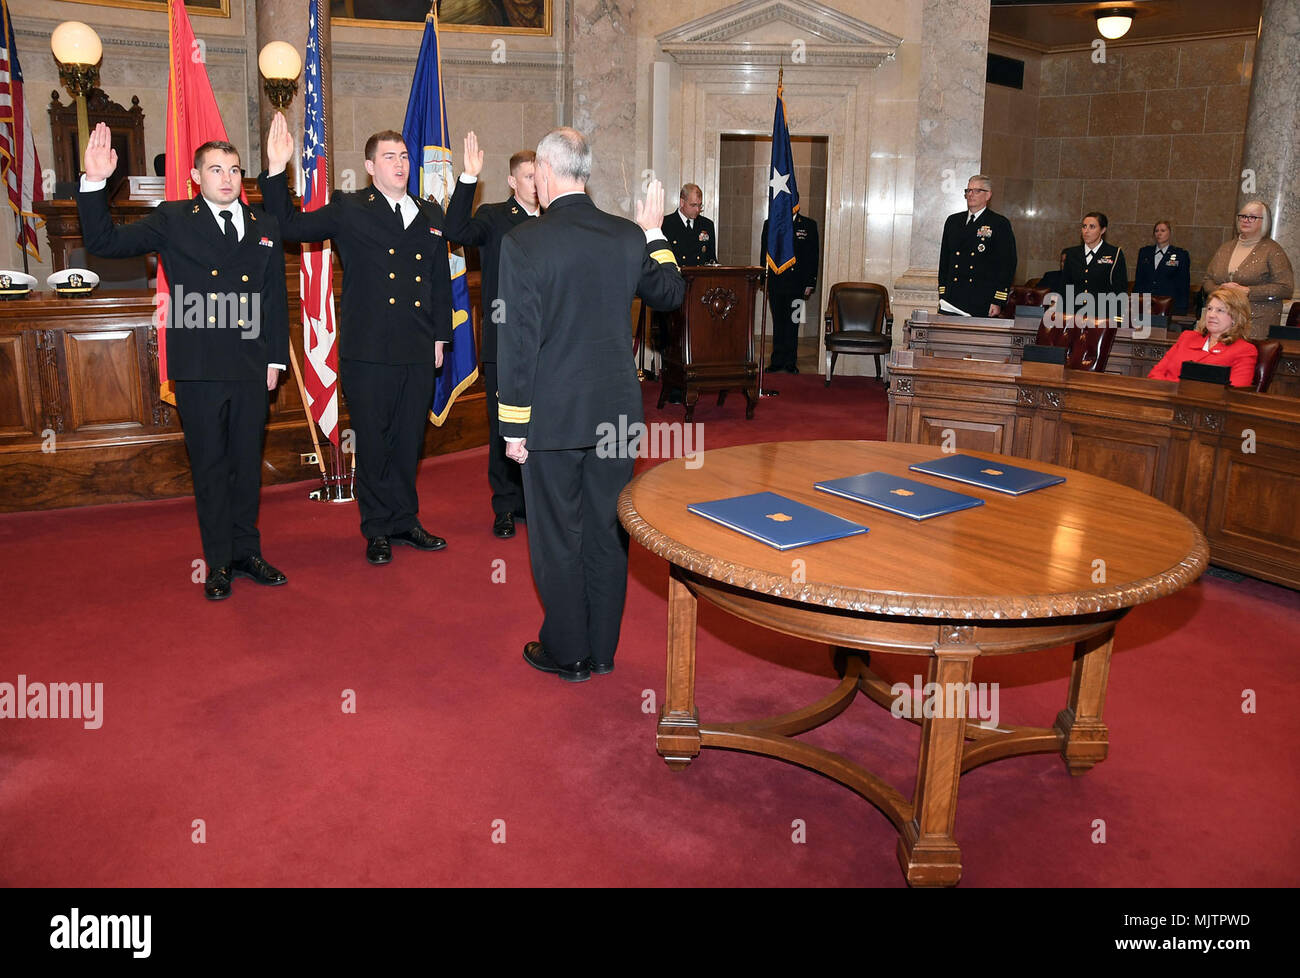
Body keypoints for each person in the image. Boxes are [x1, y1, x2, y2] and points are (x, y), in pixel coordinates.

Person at [497, 127, 685, 683]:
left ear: (548, 174)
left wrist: (513, 422)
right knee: (607, 532)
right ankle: (603, 651)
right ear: (585, 172)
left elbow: (518, 338)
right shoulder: (627, 236)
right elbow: (672, 295)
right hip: (617, 414)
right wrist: (655, 233)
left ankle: (569, 652)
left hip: (551, 417)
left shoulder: (524, 241)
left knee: (558, 535)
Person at [76, 123, 290, 601]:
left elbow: (274, 297)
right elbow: (106, 242)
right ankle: (218, 562)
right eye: (216, 170)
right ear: (196, 177)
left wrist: (276, 357)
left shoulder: (263, 226)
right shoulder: (173, 218)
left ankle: (246, 551)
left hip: (252, 365)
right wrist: (94, 184)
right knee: (211, 466)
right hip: (198, 367)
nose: (227, 178)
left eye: (234, 170)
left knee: (246, 465)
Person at [260, 113, 452, 566]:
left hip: (417, 346)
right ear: (370, 166)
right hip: (368, 350)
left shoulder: (429, 212)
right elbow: (289, 226)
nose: (400, 164)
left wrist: (442, 334)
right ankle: (377, 528)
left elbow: (440, 280)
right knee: (373, 440)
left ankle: (405, 520)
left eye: (404, 156)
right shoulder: (349, 208)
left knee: (409, 440)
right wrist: (275, 170)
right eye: (390, 157)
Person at [445, 132, 538, 539]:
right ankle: (505, 506)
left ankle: (535, 502)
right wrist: (468, 178)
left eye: (541, 175)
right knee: (504, 425)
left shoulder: (556, 219)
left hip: (546, 344)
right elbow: (455, 228)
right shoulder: (496, 215)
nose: (537, 182)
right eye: (530, 176)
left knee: (539, 426)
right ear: (514, 181)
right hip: (505, 343)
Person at [1201, 199, 1294, 339]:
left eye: (1252, 217)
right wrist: (1221, 290)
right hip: (1223, 325)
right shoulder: (1226, 248)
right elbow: (1208, 280)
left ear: (1264, 222)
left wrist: (1248, 291)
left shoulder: (1272, 250)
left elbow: (1286, 288)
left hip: (1256, 323)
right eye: (1243, 216)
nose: (1246, 220)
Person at [937, 174, 1017, 317]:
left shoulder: (999, 223)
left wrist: (997, 300)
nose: (970, 194)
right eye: (968, 191)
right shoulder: (953, 221)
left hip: (981, 300)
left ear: (988, 195)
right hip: (952, 299)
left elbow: (1007, 265)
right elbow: (945, 261)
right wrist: (943, 292)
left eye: (976, 191)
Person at [1148, 286, 1258, 387]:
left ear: (1236, 317)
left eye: (1220, 310)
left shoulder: (1244, 350)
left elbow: (1235, 392)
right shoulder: (1187, 337)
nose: (1211, 315)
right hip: (1166, 399)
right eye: (1209, 309)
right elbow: (1155, 374)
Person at [760, 211, 819, 372]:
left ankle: (790, 362)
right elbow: (764, 252)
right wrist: (763, 279)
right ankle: (777, 361)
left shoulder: (808, 225)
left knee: (794, 322)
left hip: (798, 285)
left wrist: (810, 282)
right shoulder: (770, 223)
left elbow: (813, 256)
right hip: (776, 283)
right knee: (778, 323)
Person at [1061, 212, 1127, 315]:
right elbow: (1066, 287)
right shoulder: (1072, 253)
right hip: (1075, 312)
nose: (1086, 231)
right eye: (1084, 226)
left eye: (1092, 227)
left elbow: (1120, 289)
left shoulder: (1114, 253)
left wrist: (1116, 320)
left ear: (1102, 230)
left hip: (1102, 314)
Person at [1134, 220, 1191, 315]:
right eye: (1156, 231)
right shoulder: (1145, 252)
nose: (1159, 233)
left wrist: (1182, 307)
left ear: (1170, 233)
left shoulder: (1180, 254)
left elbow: (1183, 283)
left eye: (1163, 231)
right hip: (1146, 303)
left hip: (1168, 304)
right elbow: (1139, 279)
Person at [661, 183, 717, 267]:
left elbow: (711, 259)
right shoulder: (665, 224)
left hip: (700, 278)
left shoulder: (707, 225)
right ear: (682, 202)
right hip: (676, 278)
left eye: (699, 205)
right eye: (693, 205)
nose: (697, 210)